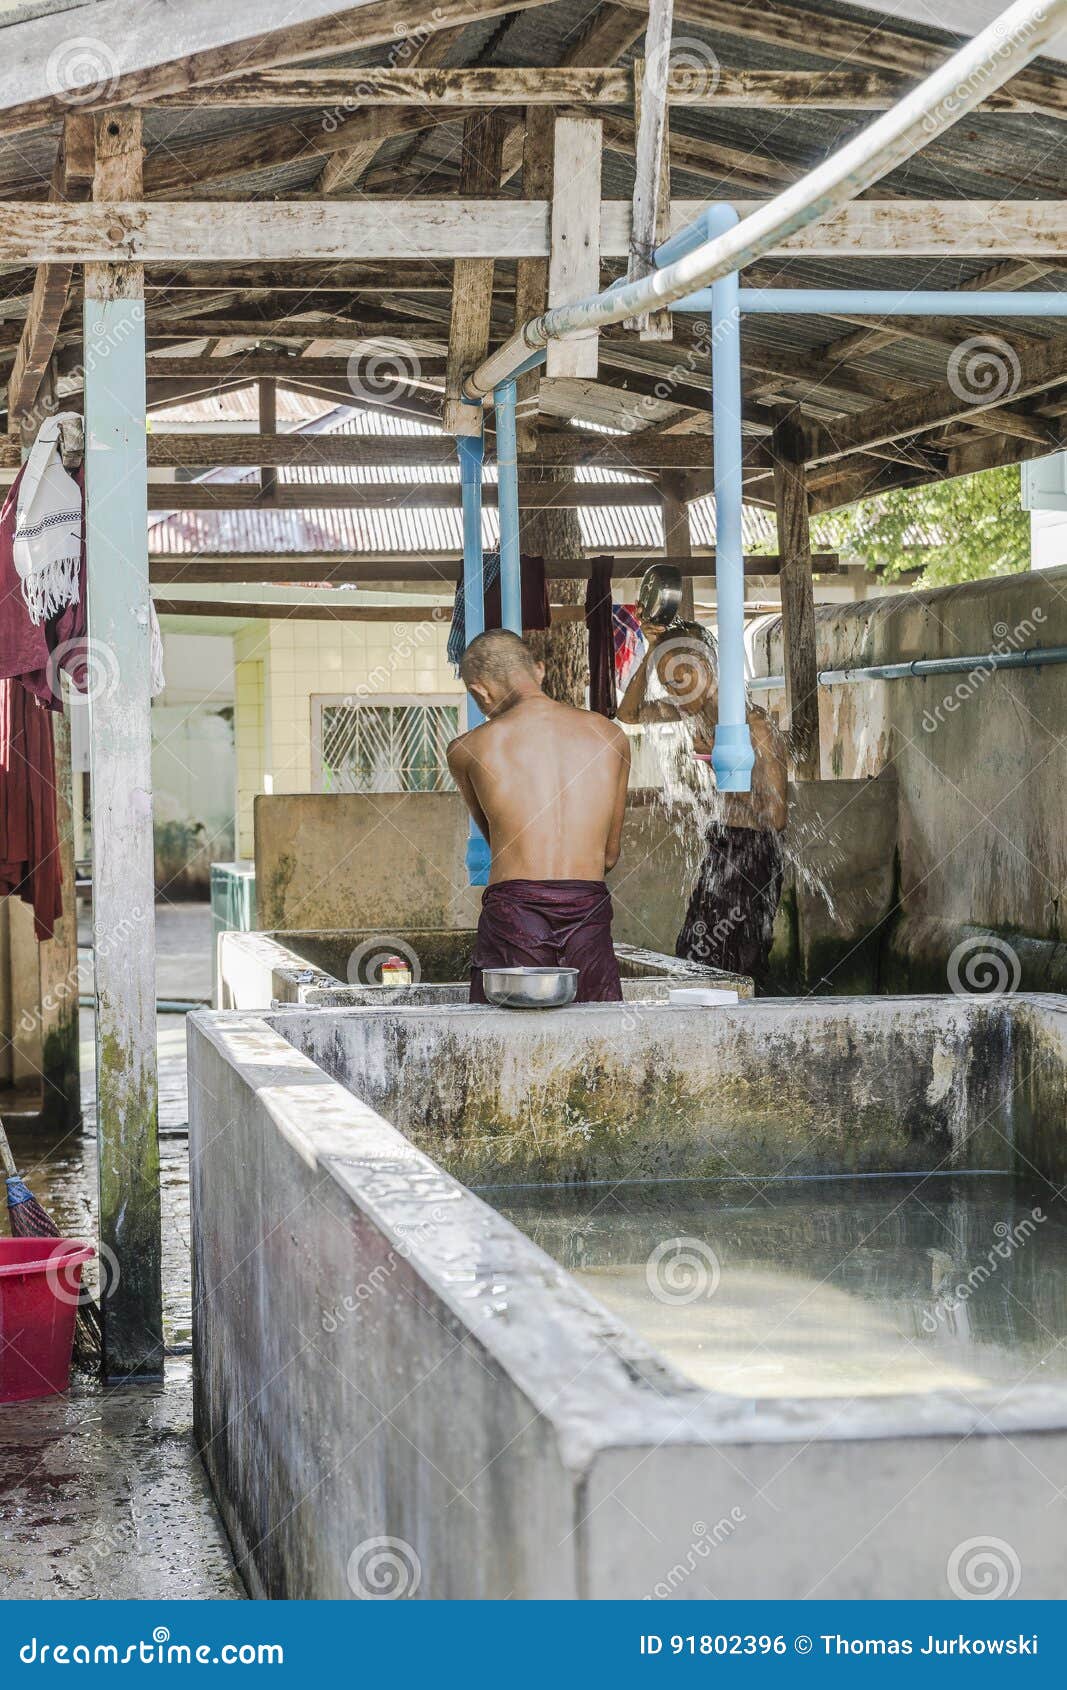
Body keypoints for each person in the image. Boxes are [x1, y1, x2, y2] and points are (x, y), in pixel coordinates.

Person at [447, 629, 631, 1004]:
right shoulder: (611, 737)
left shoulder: (468, 749)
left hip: (516, 913)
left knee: (508, 1031)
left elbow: (498, 843)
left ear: (480, 691)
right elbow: (609, 856)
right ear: (540, 670)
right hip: (587, 909)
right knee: (596, 1028)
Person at [616, 614, 788, 987]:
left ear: (708, 667)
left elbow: (774, 818)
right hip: (722, 843)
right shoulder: (691, 712)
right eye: (667, 683)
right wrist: (650, 651)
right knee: (693, 954)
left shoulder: (755, 727)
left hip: (754, 854)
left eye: (682, 679)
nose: (675, 692)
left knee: (738, 961)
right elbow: (627, 714)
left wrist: (721, 768)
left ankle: (750, 1020)